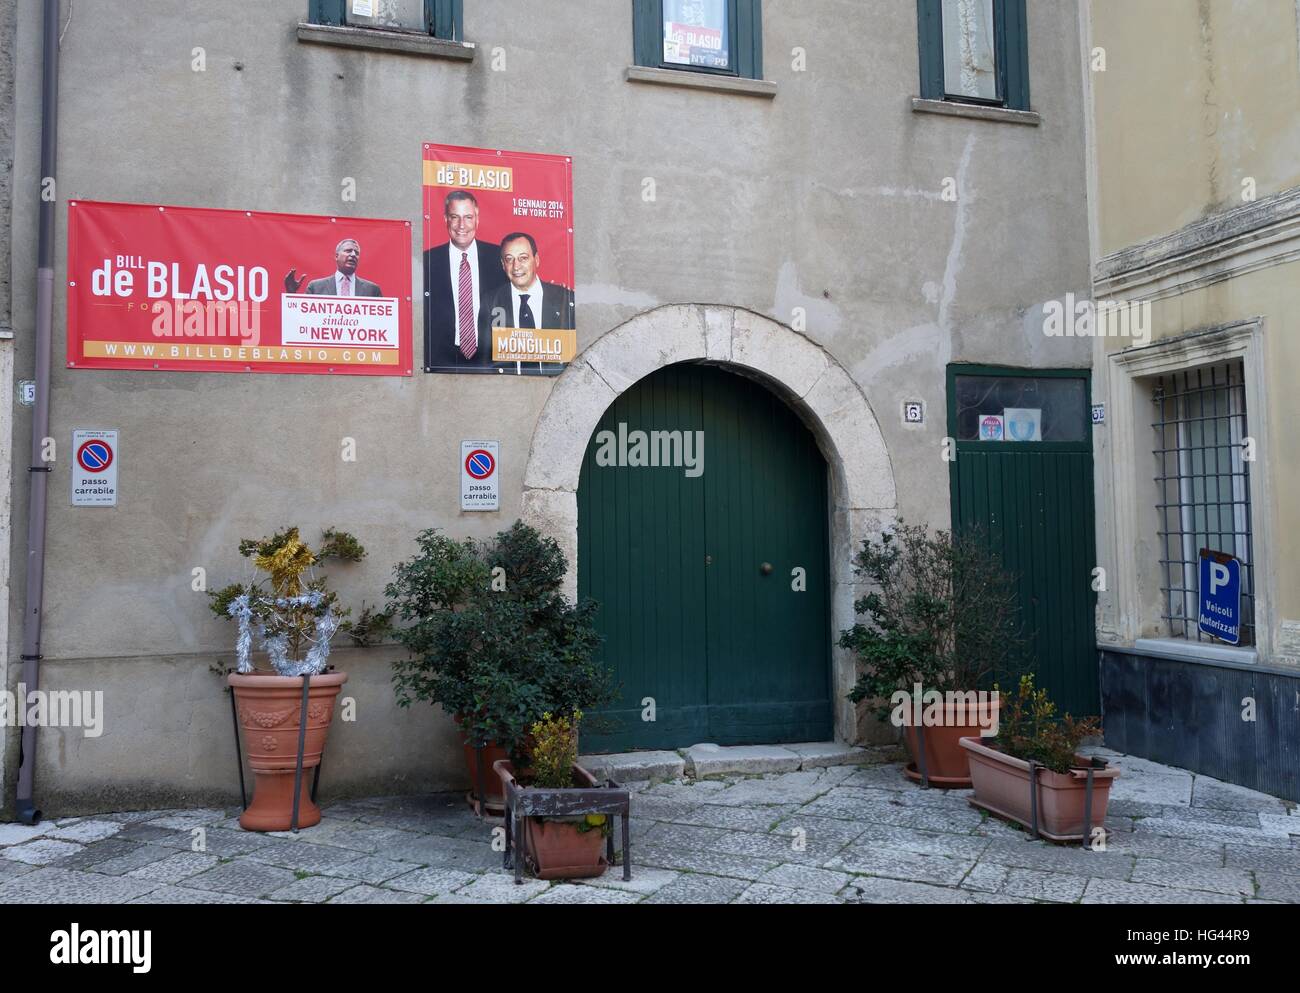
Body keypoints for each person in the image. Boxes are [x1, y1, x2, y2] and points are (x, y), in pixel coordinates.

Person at [423, 190, 507, 371]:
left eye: (468, 217)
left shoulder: (499, 258)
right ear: (445, 219)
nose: (462, 225)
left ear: (477, 219)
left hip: (491, 358)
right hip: (442, 359)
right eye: (455, 217)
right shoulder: (428, 261)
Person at [479, 232, 572, 375]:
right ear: (503, 265)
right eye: (509, 259)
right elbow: (485, 361)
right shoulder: (490, 302)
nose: (516, 266)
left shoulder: (565, 299)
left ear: (536, 260)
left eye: (523, 258)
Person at [284, 238, 383, 296]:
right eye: (348, 251)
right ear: (336, 256)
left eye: (356, 253)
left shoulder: (372, 290)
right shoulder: (316, 288)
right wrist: (291, 294)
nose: (353, 255)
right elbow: (302, 320)